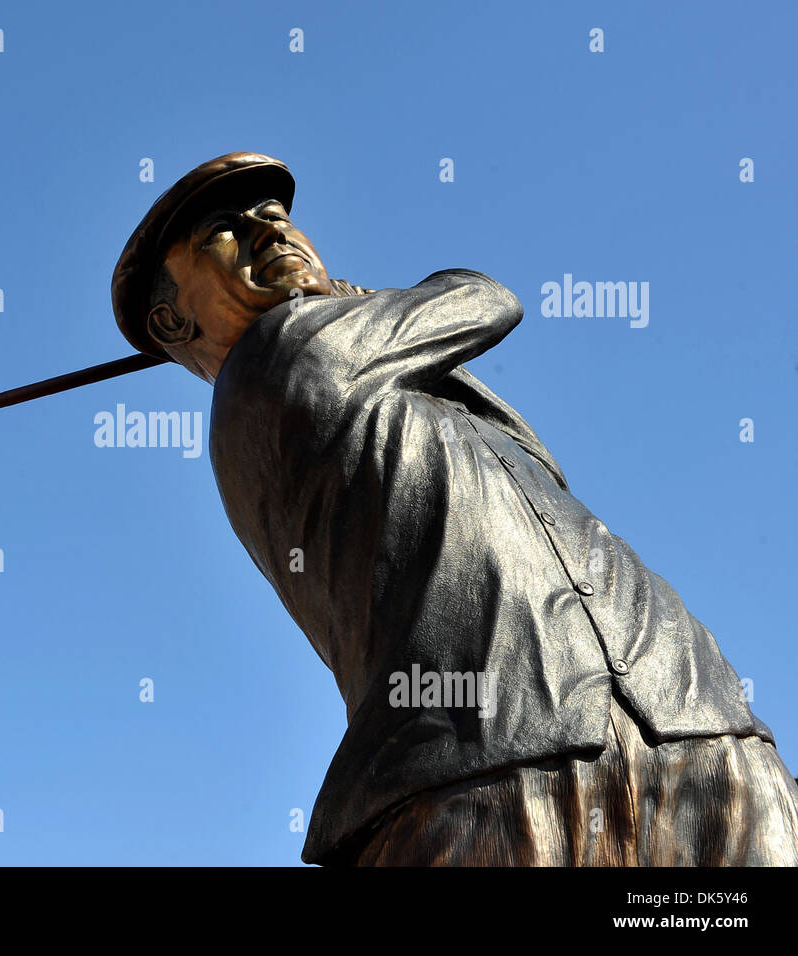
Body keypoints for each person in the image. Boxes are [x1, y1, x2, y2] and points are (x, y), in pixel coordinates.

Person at [111, 151, 798, 866]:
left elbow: (542, 467)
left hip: (685, 710)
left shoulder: (379, 371)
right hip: (493, 763)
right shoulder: (276, 357)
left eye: (276, 216)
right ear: (171, 319)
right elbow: (483, 296)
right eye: (225, 228)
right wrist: (354, 298)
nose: (270, 232)